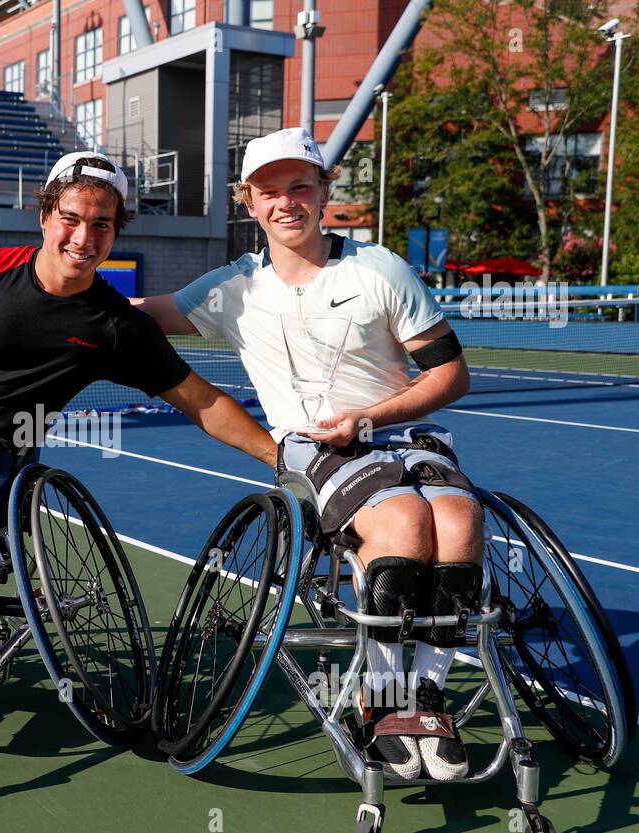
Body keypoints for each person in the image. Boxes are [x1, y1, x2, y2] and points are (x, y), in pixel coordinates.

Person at [0, 151, 277, 704]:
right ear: (45, 215)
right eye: (71, 218)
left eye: (101, 224)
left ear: (115, 232)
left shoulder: (118, 326)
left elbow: (203, 402)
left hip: (6, 447)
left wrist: (280, 457)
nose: (83, 237)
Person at [133, 128, 482, 781]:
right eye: (270, 191)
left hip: (402, 432)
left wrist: (372, 415)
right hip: (314, 445)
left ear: (324, 193)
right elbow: (133, 317)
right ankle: (380, 701)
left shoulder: (381, 269)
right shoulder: (231, 290)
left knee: (460, 523)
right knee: (403, 522)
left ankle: (427, 697)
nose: (285, 203)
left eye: (300, 187)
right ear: (249, 202)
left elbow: (450, 376)